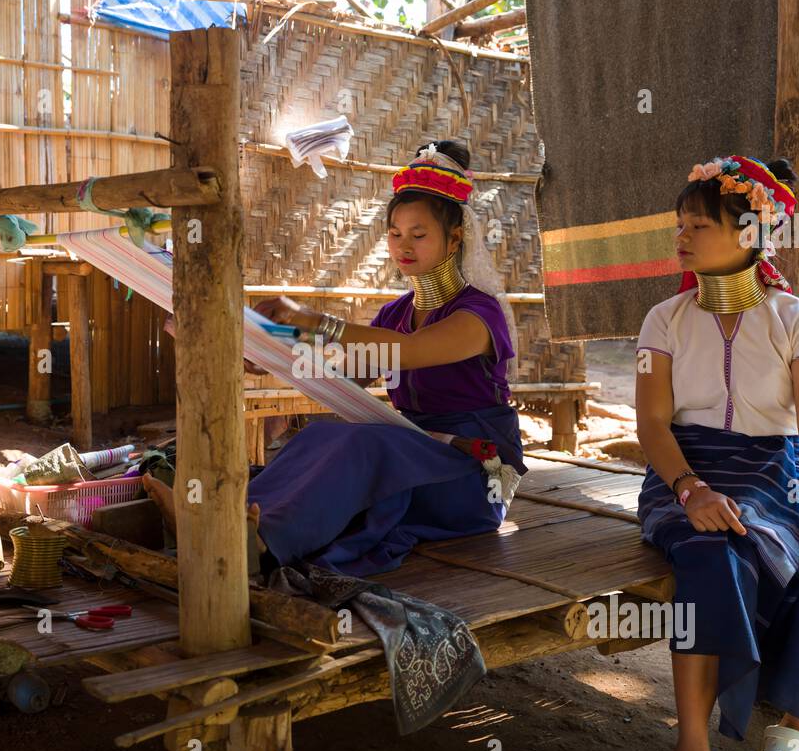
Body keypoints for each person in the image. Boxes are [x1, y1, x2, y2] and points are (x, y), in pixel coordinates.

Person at [144, 140, 525, 578]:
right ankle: (220, 521)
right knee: (319, 436)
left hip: (473, 475)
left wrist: (310, 319)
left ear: (455, 237)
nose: (404, 245)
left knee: (364, 443)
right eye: (395, 233)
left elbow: (403, 351)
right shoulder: (396, 314)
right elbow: (345, 374)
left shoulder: (478, 315)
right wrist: (270, 354)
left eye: (419, 235)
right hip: (414, 455)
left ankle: (257, 542)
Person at [634, 155, 799, 751]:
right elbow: (652, 425)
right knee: (712, 556)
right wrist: (689, 488)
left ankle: (791, 738)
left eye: (699, 224)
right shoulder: (663, 320)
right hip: (683, 472)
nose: (682, 236)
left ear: (749, 234)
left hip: (776, 478)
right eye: (680, 222)